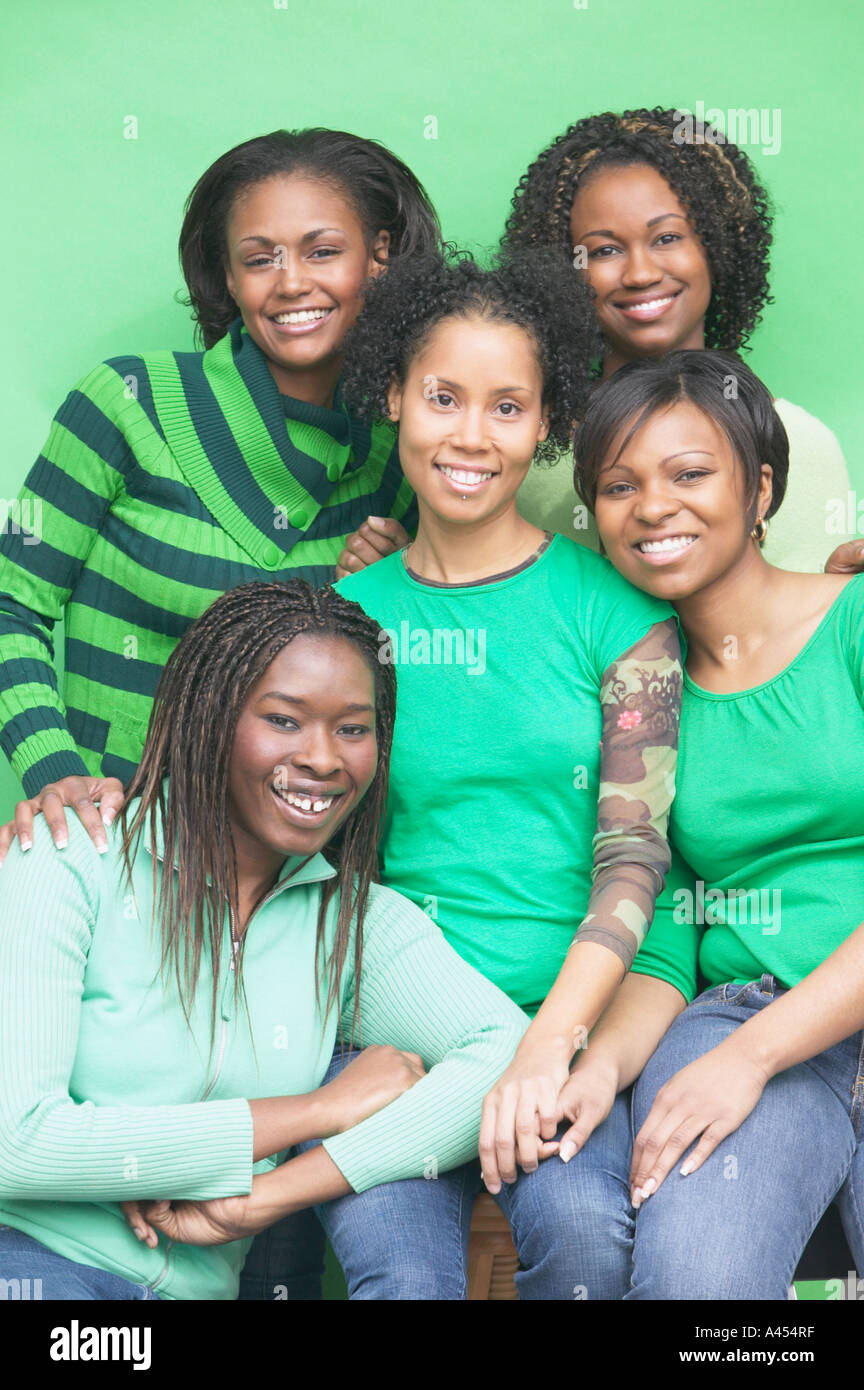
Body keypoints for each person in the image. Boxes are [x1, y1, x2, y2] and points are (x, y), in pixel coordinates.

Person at [254, 247, 687, 1301]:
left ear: (546, 425)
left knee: (587, 1241)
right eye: (444, 397)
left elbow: (636, 858)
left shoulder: (619, 615)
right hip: (389, 1032)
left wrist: (547, 1049)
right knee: (401, 1275)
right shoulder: (340, 621)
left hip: (561, 1016)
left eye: (507, 408)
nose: (470, 436)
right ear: (394, 392)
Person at [0, 579, 528, 1300]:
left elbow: (507, 1056)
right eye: (283, 720)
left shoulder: (352, 923)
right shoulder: (66, 858)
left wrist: (274, 1193)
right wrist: (315, 1113)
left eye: (352, 728)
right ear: (209, 716)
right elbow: (15, 1145)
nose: (322, 758)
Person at [0, 128, 438, 859]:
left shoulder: (403, 461)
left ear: (380, 256)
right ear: (230, 280)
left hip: (291, 882)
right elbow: (11, 602)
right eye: (259, 259)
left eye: (322, 250)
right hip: (110, 846)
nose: (291, 281)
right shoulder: (125, 402)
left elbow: (385, 704)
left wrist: (395, 593)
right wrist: (56, 772)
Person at [558, 348, 864, 1299]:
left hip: (775, 1036)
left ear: (761, 487)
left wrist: (754, 1058)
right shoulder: (637, 691)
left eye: (690, 474)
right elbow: (671, 924)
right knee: (698, 1290)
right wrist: (600, 1069)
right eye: (620, 485)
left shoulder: (853, 623)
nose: (654, 507)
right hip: (745, 1012)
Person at [336, 107, 858, 576]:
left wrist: (838, 605)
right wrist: (407, 577)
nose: (640, 272)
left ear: (718, 247)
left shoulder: (801, 444)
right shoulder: (524, 449)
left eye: (668, 238)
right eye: (604, 250)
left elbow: (808, 633)